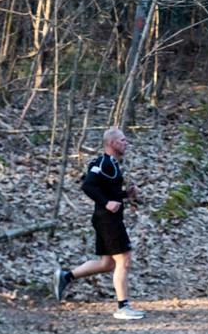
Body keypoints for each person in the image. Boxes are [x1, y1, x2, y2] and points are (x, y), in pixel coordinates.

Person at [52, 127, 144, 320]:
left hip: (106, 218)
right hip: (107, 220)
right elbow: (87, 185)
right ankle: (123, 307)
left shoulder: (112, 164)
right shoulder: (104, 162)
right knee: (124, 260)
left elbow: (108, 192)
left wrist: (126, 195)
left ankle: (65, 277)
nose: (126, 143)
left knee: (107, 263)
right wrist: (106, 202)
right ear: (111, 143)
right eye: (122, 140)